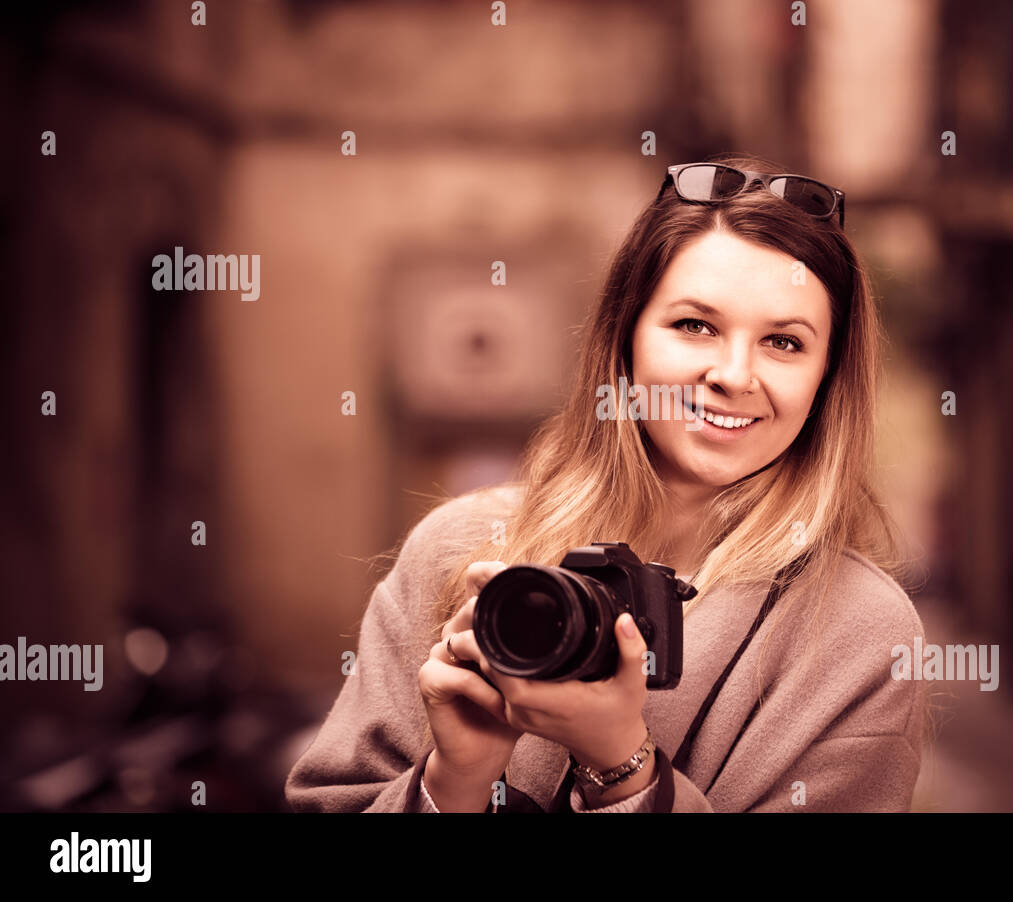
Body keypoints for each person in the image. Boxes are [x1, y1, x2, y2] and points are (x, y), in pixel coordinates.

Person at [285, 154, 931, 812]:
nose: (734, 375)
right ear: (623, 340)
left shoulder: (860, 633)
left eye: (784, 343)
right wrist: (453, 780)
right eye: (694, 326)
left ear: (827, 378)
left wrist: (623, 764)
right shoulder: (458, 551)